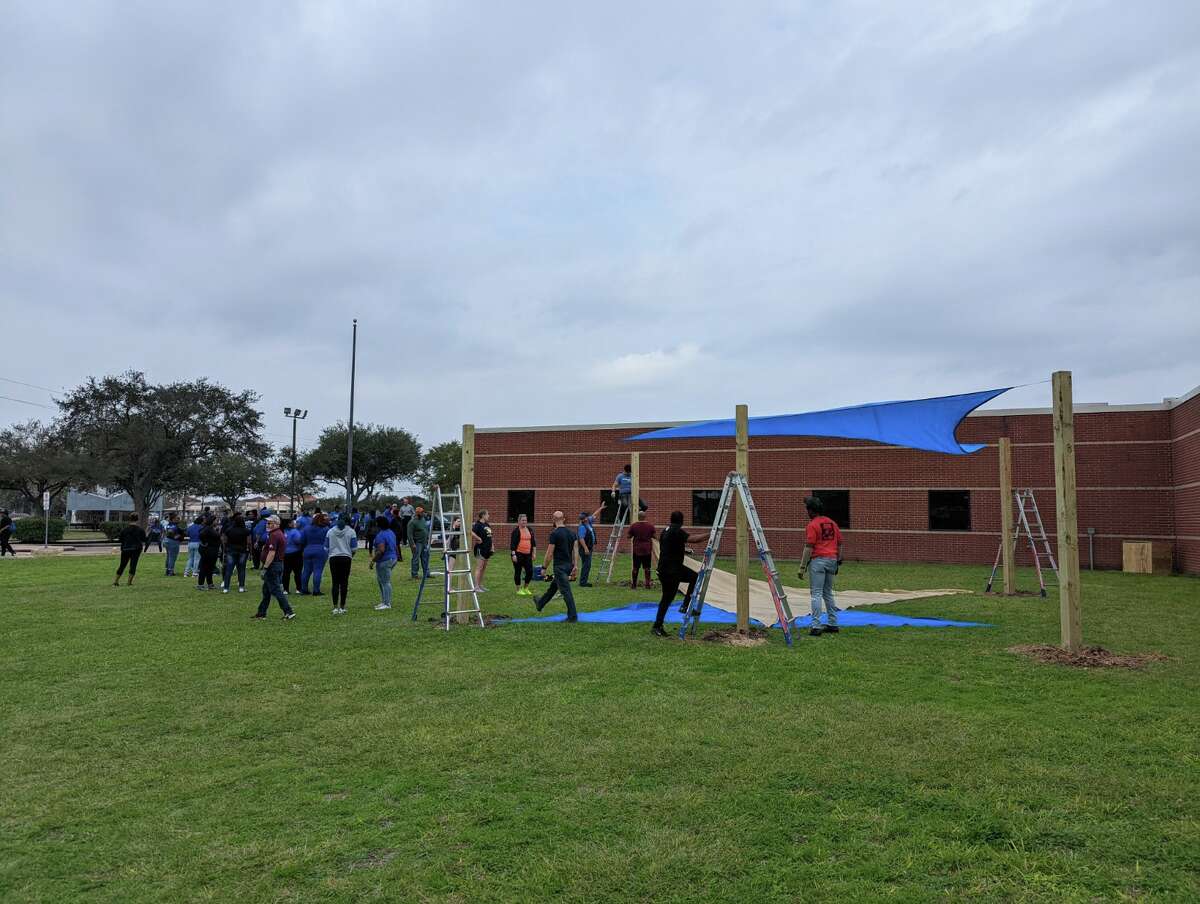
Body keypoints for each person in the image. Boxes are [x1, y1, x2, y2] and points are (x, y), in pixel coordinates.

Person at [799, 496, 844, 637]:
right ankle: (833, 623)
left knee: (816, 593)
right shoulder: (832, 523)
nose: (807, 512)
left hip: (818, 560)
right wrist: (838, 560)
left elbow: (809, 547)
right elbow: (840, 543)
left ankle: (816, 625)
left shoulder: (812, 525)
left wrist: (802, 566)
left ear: (812, 511)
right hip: (832, 560)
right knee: (828, 593)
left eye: (807, 509)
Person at [652, 510, 701, 637]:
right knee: (667, 598)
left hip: (665, 569)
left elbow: (669, 546)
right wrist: (711, 534)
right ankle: (659, 625)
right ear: (681, 521)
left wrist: (683, 550)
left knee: (668, 597)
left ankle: (684, 606)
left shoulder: (665, 530)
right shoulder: (677, 530)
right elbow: (693, 539)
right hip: (671, 571)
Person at [533, 510, 579, 621]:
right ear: (564, 519)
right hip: (568, 566)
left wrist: (544, 568)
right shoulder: (572, 533)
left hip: (560, 568)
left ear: (553, 520)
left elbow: (549, 553)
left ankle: (572, 617)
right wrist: (576, 565)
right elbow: (576, 549)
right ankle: (540, 603)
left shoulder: (554, 533)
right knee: (553, 587)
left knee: (566, 591)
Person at [253, 514, 296, 620]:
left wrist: (265, 568)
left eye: (270, 523)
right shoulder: (278, 533)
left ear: (276, 524)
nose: (267, 525)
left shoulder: (274, 535)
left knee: (276, 590)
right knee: (266, 591)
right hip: (277, 564)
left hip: (272, 566)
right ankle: (261, 613)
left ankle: (288, 611)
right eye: (267, 523)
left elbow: (272, 553)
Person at [326, 512, 358, 615]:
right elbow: (354, 548)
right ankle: (342, 606)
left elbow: (325, 547)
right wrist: (350, 555)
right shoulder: (351, 532)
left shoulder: (330, 531)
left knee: (335, 582)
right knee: (344, 582)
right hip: (346, 558)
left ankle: (335, 607)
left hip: (333, 558)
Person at [371, 515, 399, 610]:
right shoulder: (391, 532)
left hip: (385, 560)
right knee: (381, 581)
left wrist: (373, 560)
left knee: (385, 582)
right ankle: (384, 601)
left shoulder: (380, 535)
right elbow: (395, 545)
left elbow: (381, 550)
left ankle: (387, 603)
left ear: (379, 524)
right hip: (393, 558)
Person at [221, 512, 252, 593]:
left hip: (231, 551)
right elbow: (249, 542)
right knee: (241, 570)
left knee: (229, 570)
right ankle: (241, 587)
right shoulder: (246, 531)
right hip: (242, 551)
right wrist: (250, 552)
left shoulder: (229, 530)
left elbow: (224, 541)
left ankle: (226, 588)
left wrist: (225, 550)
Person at [301, 512, 331, 595]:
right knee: (318, 571)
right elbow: (329, 541)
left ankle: (304, 589)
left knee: (306, 571)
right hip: (321, 551)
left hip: (308, 550)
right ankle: (316, 590)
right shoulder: (326, 529)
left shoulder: (306, 528)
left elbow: (302, 540)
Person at [113, 513, 146, 586]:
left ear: (129, 519)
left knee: (122, 565)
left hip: (125, 548)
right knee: (133, 565)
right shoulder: (140, 530)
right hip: (136, 549)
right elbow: (144, 539)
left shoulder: (124, 530)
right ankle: (129, 582)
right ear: (137, 519)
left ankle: (116, 581)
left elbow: (120, 539)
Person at [627, 510, 657, 590]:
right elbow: (654, 536)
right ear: (645, 517)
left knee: (635, 568)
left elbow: (628, 536)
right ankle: (647, 585)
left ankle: (634, 585)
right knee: (647, 567)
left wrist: (634, 535)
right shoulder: (650, 526)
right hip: (647, 549)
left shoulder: (634, 526)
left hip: (637, 550)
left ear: (638, 517)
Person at [510, 514, 536, 596]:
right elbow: (512, 544)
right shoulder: (516, 531)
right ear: (519, 521)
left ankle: (525, 588)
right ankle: (518, 589)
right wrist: (513, 555)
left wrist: (534, 553)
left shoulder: (530, 529)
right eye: (522, 520)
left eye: (525, 520)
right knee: (518, 571)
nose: (524, 522)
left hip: (528, 554)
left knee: (530, 571)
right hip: (518, 554)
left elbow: (533, 543)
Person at [577, 506, 602, 587]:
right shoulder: (582, 527)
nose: (584, 520)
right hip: (585, 549)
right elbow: (581, 539)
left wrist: (601, 508)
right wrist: (586, 548)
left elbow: (594, 515)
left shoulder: (588, 522)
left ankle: (583, 581)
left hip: (589, 548)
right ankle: (583, 582)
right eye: (583, 519)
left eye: (585, 518)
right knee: (586, 565)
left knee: (587, 565)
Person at [197, 515, 221, 590]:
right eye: (216, 520)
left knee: (210, 568)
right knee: (205, 567)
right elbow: (201, 535)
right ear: (212, 521)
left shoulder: (210, 529)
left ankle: (210, 583)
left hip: (211, 550)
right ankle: (200, 584)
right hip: (208, 551)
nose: (217, 522)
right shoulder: (208, 529)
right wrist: (204, 542)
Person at [471, 509, 493, 591]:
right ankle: (476, 587)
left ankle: (480, 585)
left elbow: (490, 536)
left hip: (487, 549)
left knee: (484, 568)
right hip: (480, 548)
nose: (488, 516)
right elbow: (472, 532)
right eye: (487, 514)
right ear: (483, 515)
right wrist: (478, 538)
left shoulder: (487, 524)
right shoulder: (478, 524)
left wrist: (492, 546)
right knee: (479, 567)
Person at [282, 517, 305, 593]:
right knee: (297, 572)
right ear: (289, 524)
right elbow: (299, 541)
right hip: (296, 553)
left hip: (285, 554)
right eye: (292, 522)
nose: (294, 524)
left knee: (286, 572)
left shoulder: (282, 532)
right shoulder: (294, 532)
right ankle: (298, 588)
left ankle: (285, 589)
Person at [409, 506, 430, 580]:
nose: (423, 513)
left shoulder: (423, 519)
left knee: (425, 558)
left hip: (424, 542)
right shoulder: (412, 522)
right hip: (417, 543)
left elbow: (425, 529)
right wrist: (412, 544)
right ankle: (414, 574)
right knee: (416, 559)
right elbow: (410, 534)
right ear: (418, 513)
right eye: (422, 512)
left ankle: (427, 574)